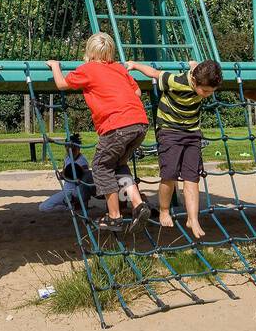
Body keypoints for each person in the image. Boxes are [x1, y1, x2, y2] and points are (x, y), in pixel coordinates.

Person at [47, 32, 151, 234]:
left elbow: (62, 84)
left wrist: (55, 66)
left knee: (101, 167)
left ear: (89, 53)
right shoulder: (119, 69)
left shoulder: (88, 69)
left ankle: (115, 217)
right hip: (140, 123)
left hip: (117, 127)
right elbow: (137, 92)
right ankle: (139, 205)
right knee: (119, 165)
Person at [125, 59, 222, 238]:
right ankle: (164, 210)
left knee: (192, 177)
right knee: (169, 174)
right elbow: (153, 72)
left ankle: (193, 218)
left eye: (211, 91)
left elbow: (195, 69)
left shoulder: (199, 77)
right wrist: (135, 65)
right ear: (194, 81)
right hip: (169, 131)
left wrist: (194, 64)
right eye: (206, 91)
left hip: (192, 132)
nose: (207, 95)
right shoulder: (176, 81)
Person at [38, 133, 97, 213]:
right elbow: (65, 172)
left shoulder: (82, 162)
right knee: (43, 207)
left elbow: (81, 179)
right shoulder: (67, 158)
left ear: (79, 148)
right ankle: (72, 206)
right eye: (68, 150)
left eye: (73, 150)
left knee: (44, 207)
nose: (71, 153)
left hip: (75, 192)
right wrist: (62, 175)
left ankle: (74, 205)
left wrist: (65, 175)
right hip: (67, 191)